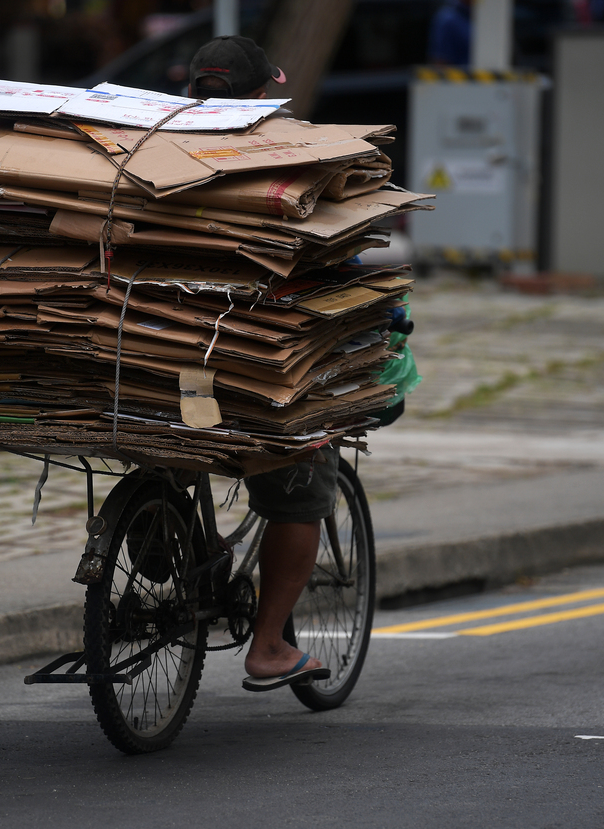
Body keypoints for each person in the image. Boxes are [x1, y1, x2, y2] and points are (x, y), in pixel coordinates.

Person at [186, 36, 335, 692]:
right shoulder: (287, 154)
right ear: (261, 93)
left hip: (160, 360)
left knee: (167, 444)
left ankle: (173, 535)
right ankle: (269, 646)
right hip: (251, 367)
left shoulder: (147, 144)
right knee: (301, 489)